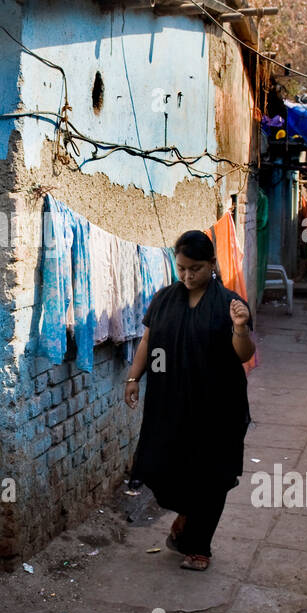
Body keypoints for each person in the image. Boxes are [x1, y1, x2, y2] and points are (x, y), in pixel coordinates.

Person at [124, 230, 255, 571]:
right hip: (171, 403)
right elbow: (148, 341)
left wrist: (240, 328)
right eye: (181, 268)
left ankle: (199, 546)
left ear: (212, 264)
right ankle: (186, 513)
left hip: (218, 406)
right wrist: (133, 377)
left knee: (212, 475)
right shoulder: (165, 299)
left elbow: (243, 354)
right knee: (162, 465)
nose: (187, 275)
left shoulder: (229, 303)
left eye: (195, 268)